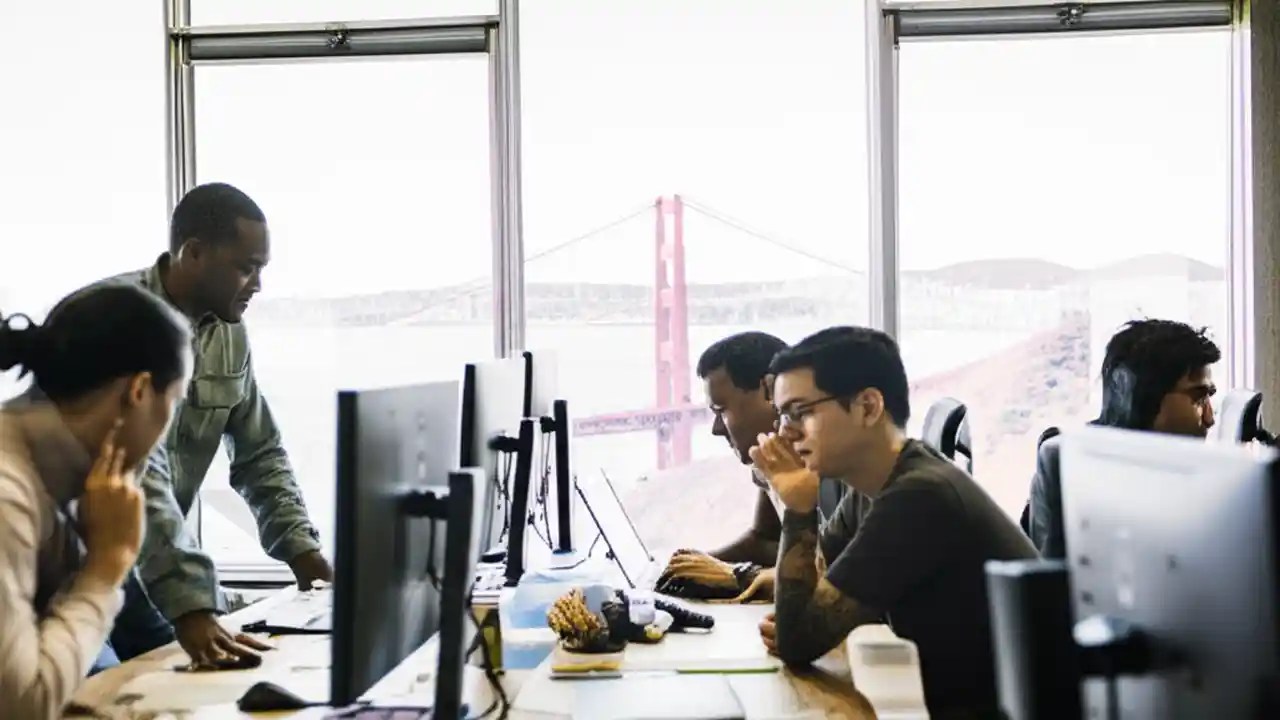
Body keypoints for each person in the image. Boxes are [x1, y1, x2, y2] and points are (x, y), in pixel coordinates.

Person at [79, 182, 329, 668]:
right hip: (73, 572)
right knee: (98, 699)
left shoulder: (229, 334)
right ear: (193, 253)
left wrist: (305, 556)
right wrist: (192, 606)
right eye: (246, 267)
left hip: (148, 572)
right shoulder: (114, 323)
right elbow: (136, 471)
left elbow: (259, 452)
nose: (257, 284)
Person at [752, 326, 1036, 717]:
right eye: (783, 415)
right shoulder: (872, 488)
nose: (785, 432)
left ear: (868, 407)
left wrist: (798, 507)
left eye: (801, 412)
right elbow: (820, 580)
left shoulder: (919, 496)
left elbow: (798, 639)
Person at [0, 285, 194, 718]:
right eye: (174, 402)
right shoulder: (8, 498)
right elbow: (20, 707)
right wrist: (107, 565)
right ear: (139, 392)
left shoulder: (52, 479)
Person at [654, 332, 845, 602]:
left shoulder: (837, 465)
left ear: (770, 392)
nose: (716, 429)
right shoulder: (771, 457)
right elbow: (766, 539)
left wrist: (739, 575)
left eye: (721, 410)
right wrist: (690, 567)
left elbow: (834, 575)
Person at [1024, 318, 1219, 558]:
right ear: (1142, 399)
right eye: (1198, 398)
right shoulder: (1080, 475)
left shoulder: (1182, 482)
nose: (1210, 418)